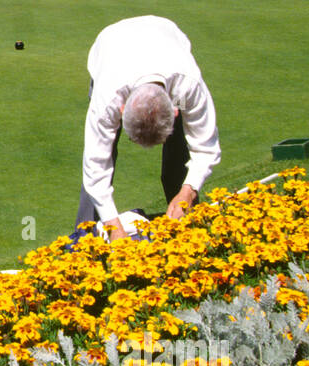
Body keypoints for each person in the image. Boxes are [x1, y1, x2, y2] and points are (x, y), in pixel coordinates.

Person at [76, 15, 221, 241]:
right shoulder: (107, 99)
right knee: (104, 153)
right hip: (111, 42)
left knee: (179, 155)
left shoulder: (188, 85)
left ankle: (187, 231)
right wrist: (115, 227)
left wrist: (187, 192)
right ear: (122, 111)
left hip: (166, 35)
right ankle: (84, 241)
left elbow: (206, 147)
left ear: (175, 111)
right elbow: (95, 166)